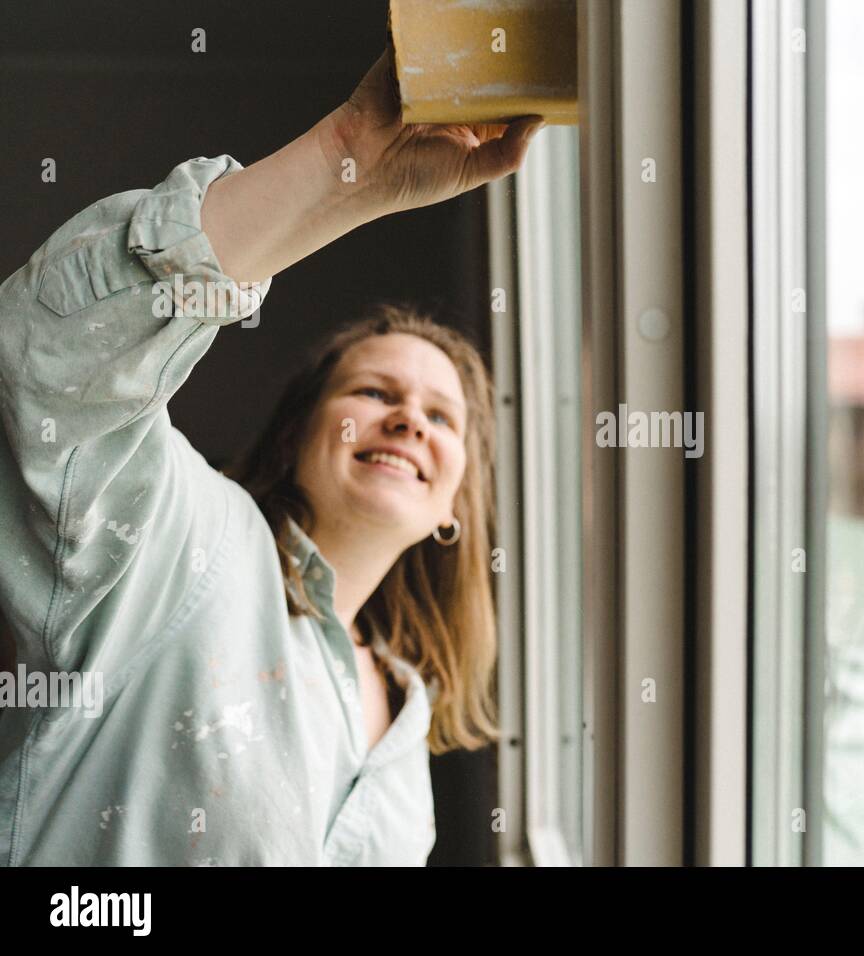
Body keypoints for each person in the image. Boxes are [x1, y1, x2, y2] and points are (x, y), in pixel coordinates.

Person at [0, 49, 544, 865]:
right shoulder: (187, 545)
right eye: (372, 395)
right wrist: (345, 158)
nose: (407, 421)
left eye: (442, 417)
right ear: (298, 434)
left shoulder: (406, 736)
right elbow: (50, 365)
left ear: (453, 510)